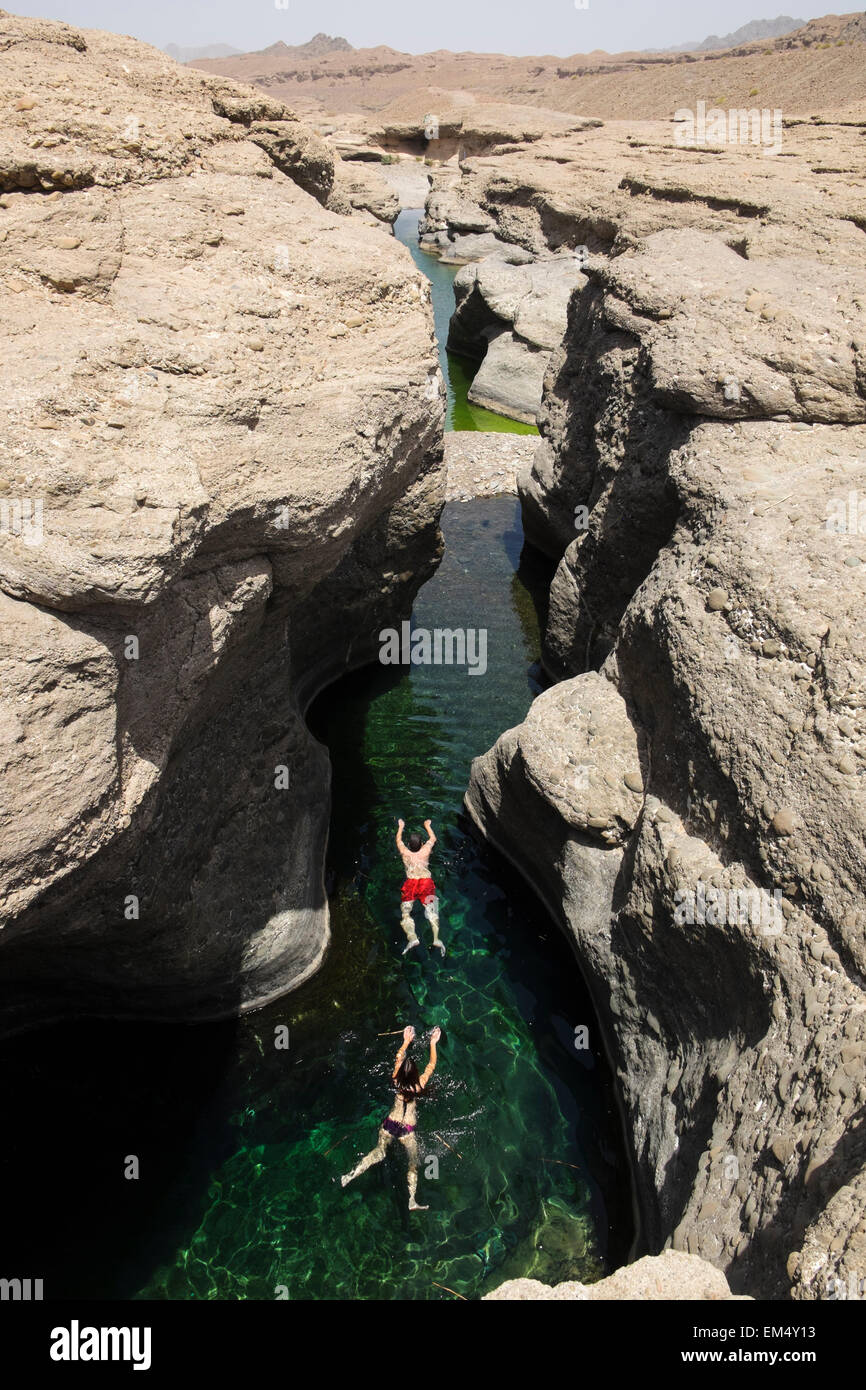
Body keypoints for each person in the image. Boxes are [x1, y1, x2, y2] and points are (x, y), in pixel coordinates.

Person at [341, 1025, 441, 1211]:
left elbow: (398, 1057)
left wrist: (405, 1041)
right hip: (407, 1131)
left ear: (402, 1072)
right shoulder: (419, 1086)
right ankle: (411, 1200)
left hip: (389, 1124)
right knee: (413, 1164)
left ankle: (350, 1176)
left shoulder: (396, 1079)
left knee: (378, 1152)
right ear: (415, 1074)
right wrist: (433, 1043)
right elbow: (431, 1065)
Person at [396, 817, 444, 955]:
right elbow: (433, 838)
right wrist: (427, 825)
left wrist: (400, 826)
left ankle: (412, 938)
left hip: (410, 883)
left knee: (405, 913)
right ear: (422, 844)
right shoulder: (426, 850)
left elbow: (398, 840)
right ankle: (436, 938)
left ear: (408, 845)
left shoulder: (404, 852)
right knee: (432, 912)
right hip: (425, 883)